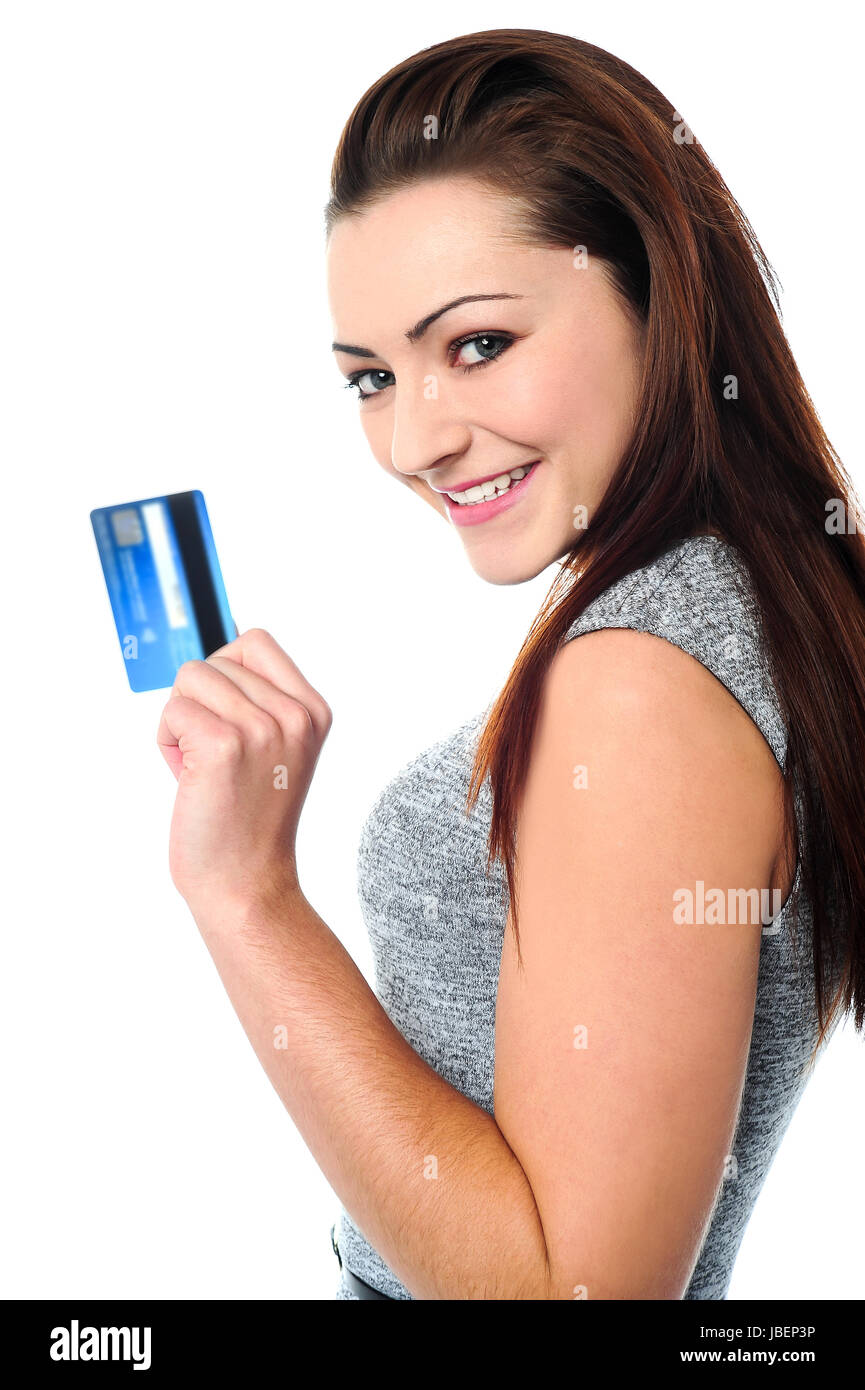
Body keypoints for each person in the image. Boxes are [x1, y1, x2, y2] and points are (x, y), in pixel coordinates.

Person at [157, 29, 865, 1300]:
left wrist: (246, 896)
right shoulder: (760, 593)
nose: (415, 437)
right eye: (371, 376)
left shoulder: (635, 686)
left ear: (662, 289)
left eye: (477, 343)